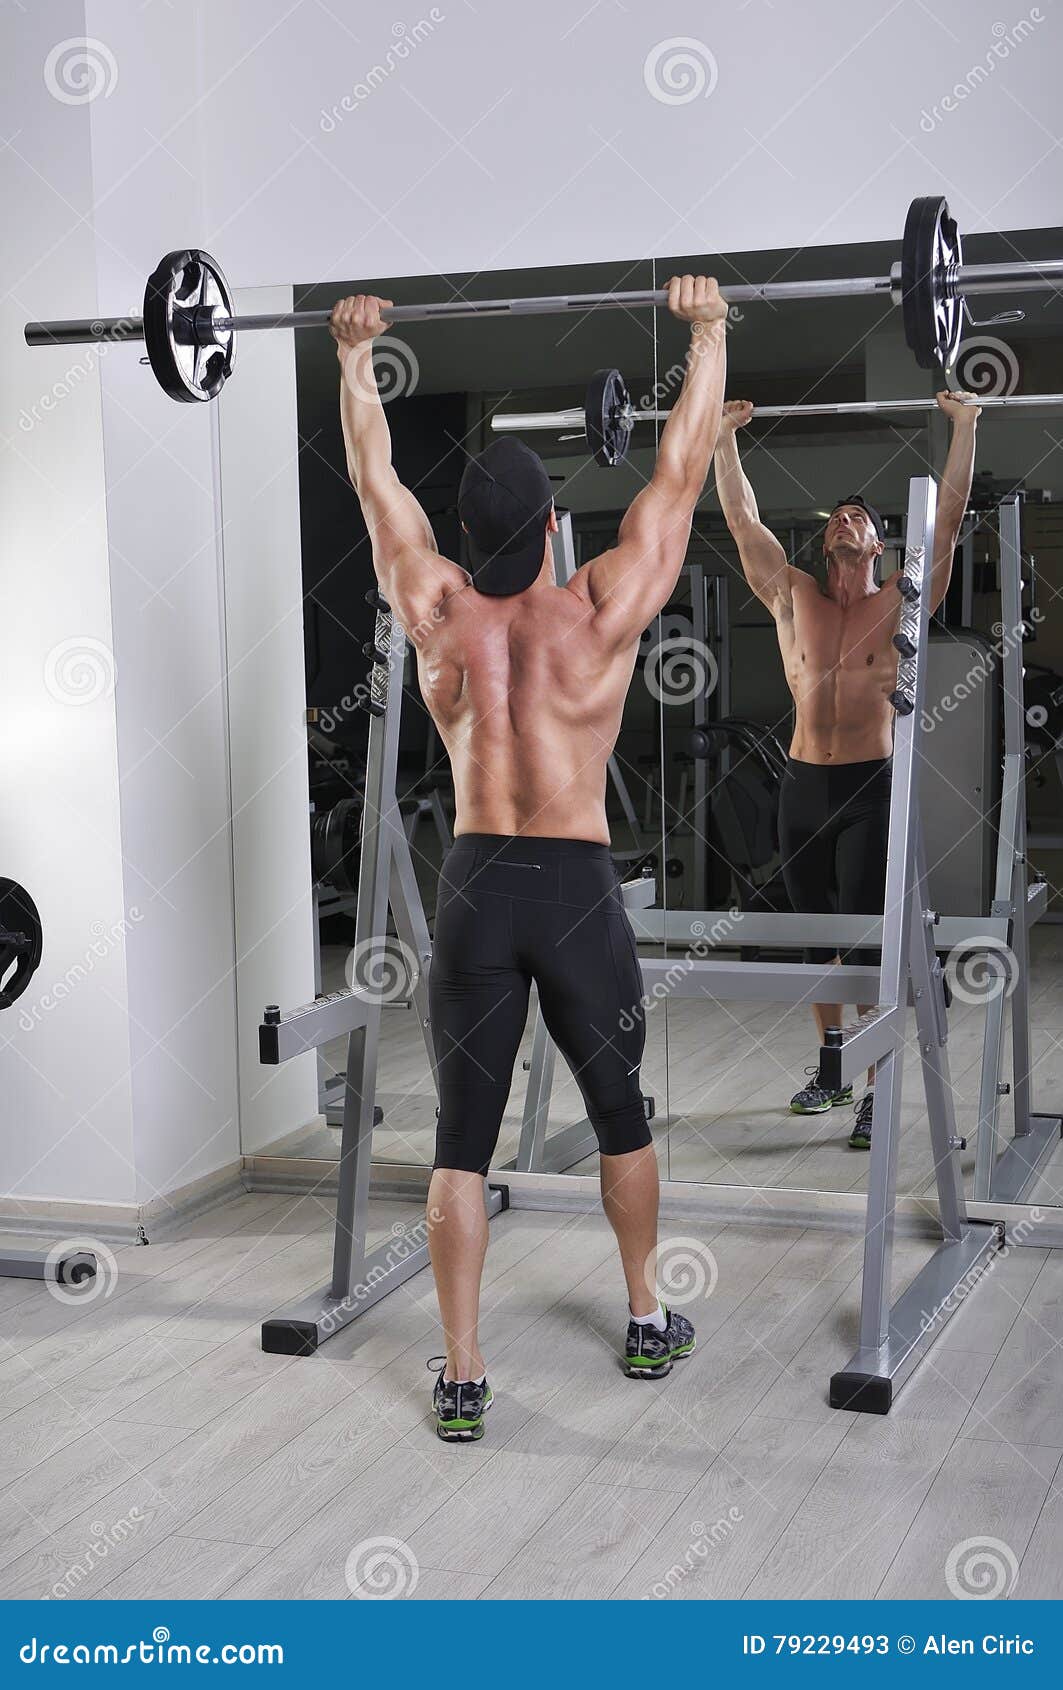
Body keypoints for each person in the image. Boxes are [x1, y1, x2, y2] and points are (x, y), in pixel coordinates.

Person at [330, 276, 727, 1441]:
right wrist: (708, 333)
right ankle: (646, 1313)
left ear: (460, 538)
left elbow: (375, 483)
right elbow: (680, 475)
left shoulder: (434, 607)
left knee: (461, 1141)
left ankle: (462, 1374)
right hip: (573, 889)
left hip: (472, 888)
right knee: (619, 1115)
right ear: (554, 525)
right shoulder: (598, 608)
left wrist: (354, 359)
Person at [713, 391, 981, 1147]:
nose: (843, 520)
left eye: (858, 518)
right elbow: (742, 521)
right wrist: (722, 440)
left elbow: (949, 519)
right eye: (836, 516)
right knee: (813, 940)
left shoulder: (901, 601)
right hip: (801, 785)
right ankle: (833, 1065)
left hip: (869, 787)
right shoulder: (791, 596)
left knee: (863, 945)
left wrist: (964, 427)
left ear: (879, 546)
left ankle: (873, 1087)